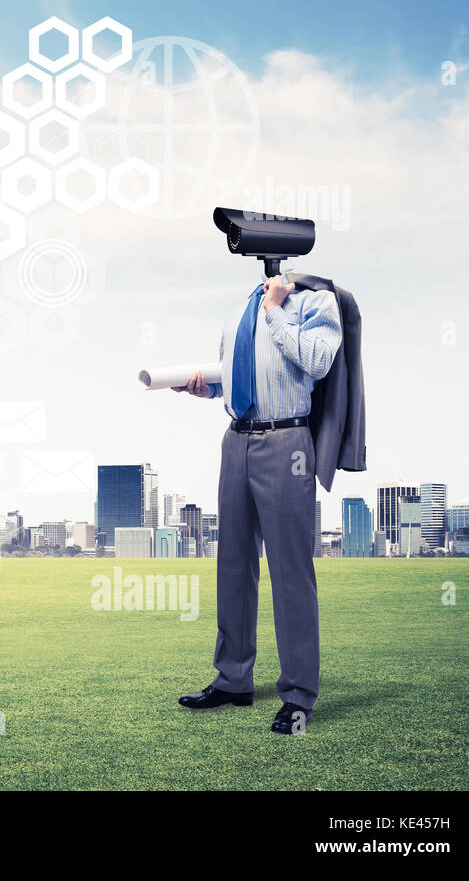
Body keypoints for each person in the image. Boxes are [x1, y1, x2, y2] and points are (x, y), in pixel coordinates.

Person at [173, 273, 342, 734]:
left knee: (289, 571)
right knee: (232, 565)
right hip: (236, 441)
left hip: (287, 440)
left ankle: (298, 696)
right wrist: (205, 387)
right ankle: (233, 679)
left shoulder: (314, 302)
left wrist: (275, 310)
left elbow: (319, 360)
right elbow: (237, 378)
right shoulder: (237, 311)